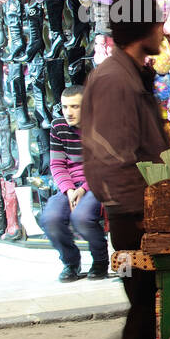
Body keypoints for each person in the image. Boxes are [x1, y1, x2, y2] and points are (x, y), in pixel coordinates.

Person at [59, 0, 169, 339]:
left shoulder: (130, 76)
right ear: (143, 30)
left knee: (149, 306)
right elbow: (110, 159)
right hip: (132, 215)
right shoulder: (113, 81)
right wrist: (139, 212)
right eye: (158, 25)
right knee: (146, 308)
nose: (163, 32)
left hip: (142, 210)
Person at [39, 86, 109, 282]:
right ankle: (70, 262)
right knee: (50, 218)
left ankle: (100, 261)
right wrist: (69, 190)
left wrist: (83, 189)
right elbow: (57, 163)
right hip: (69, 185)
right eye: (65, 107)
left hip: (97, 183)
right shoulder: (59, 126)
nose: (68, 112)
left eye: (75, 107)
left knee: (82, 217)